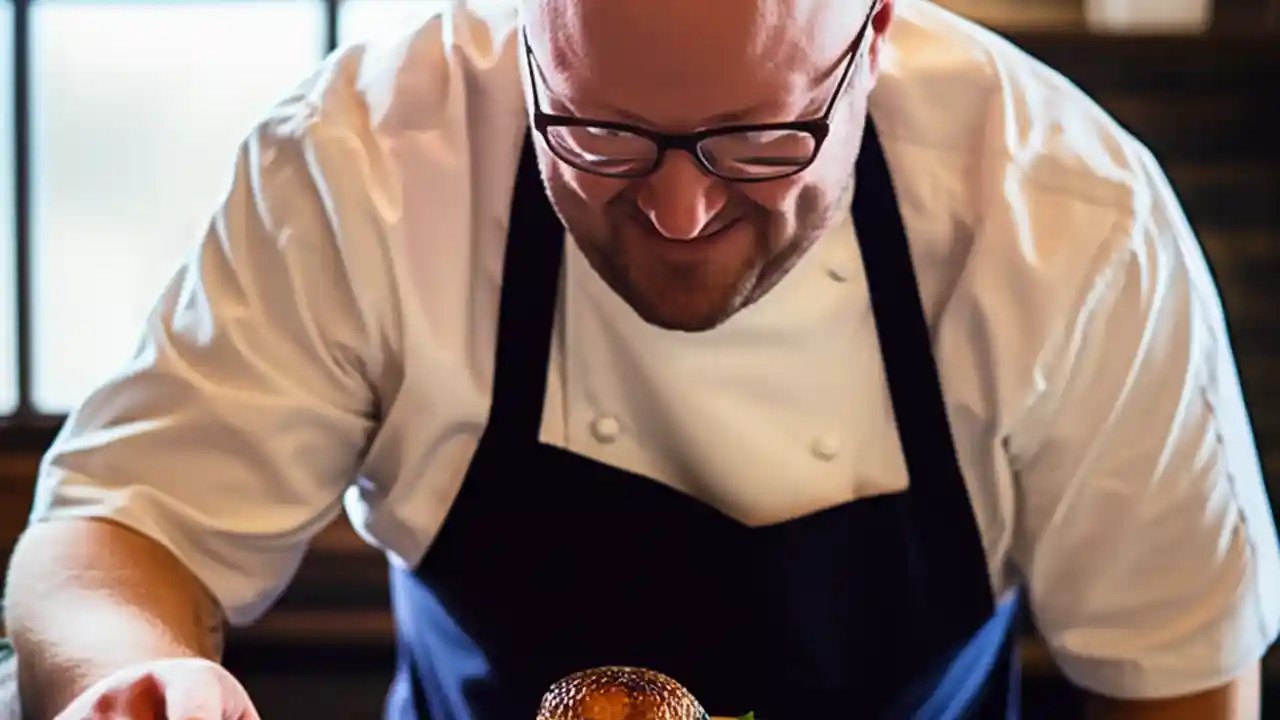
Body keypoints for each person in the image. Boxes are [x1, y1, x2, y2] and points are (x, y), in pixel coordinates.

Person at [4, 0, 1278, 717]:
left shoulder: (1068, 222)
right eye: (600, 137)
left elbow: (1175, 683)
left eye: (759, 142)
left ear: (875, 35)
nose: (676, 218)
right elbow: (126, 521)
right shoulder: (364, 164)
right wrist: (132, 679)